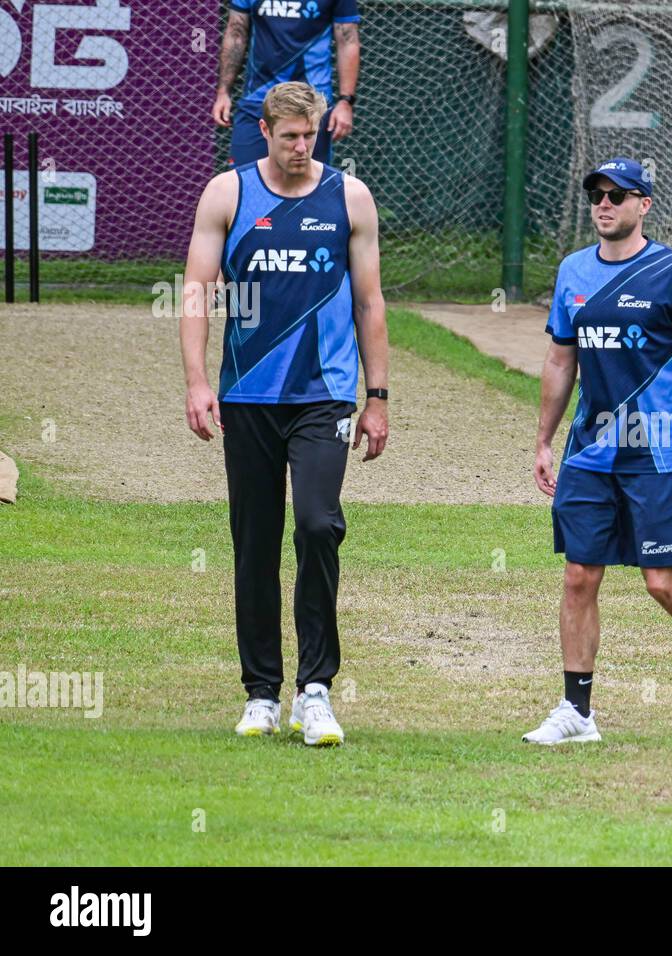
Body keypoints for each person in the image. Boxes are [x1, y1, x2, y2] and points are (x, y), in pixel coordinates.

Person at [180, 81, 389, 745]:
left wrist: (377, 397)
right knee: (255, 541)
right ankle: (261, 693)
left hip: (326, 393)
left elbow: (370, 303)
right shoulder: (228, 194)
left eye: (312, 135)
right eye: (290, 136)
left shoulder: (349, 198)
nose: (303, 148)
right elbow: (196, 291)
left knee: (319, 525)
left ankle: (317, 691)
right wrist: (195, 381)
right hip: (247, 395)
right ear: (265, 131)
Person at [527, 157, 672, 744]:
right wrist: (546, 441)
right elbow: (560, 360)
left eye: (618, 195)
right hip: (588, 452)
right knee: (579, 575)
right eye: (597, 194)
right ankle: (577, 712)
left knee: (661, 581)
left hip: (657, 452)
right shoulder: (573, 272)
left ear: (643, 204)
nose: (604, 204)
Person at [212, 0, 361, 167]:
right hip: (258, 101)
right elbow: (236, 32)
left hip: (312, 104)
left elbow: (348, 40)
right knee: (245, 182)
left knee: (309, 188)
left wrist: (346, 100)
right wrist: (223, 92)